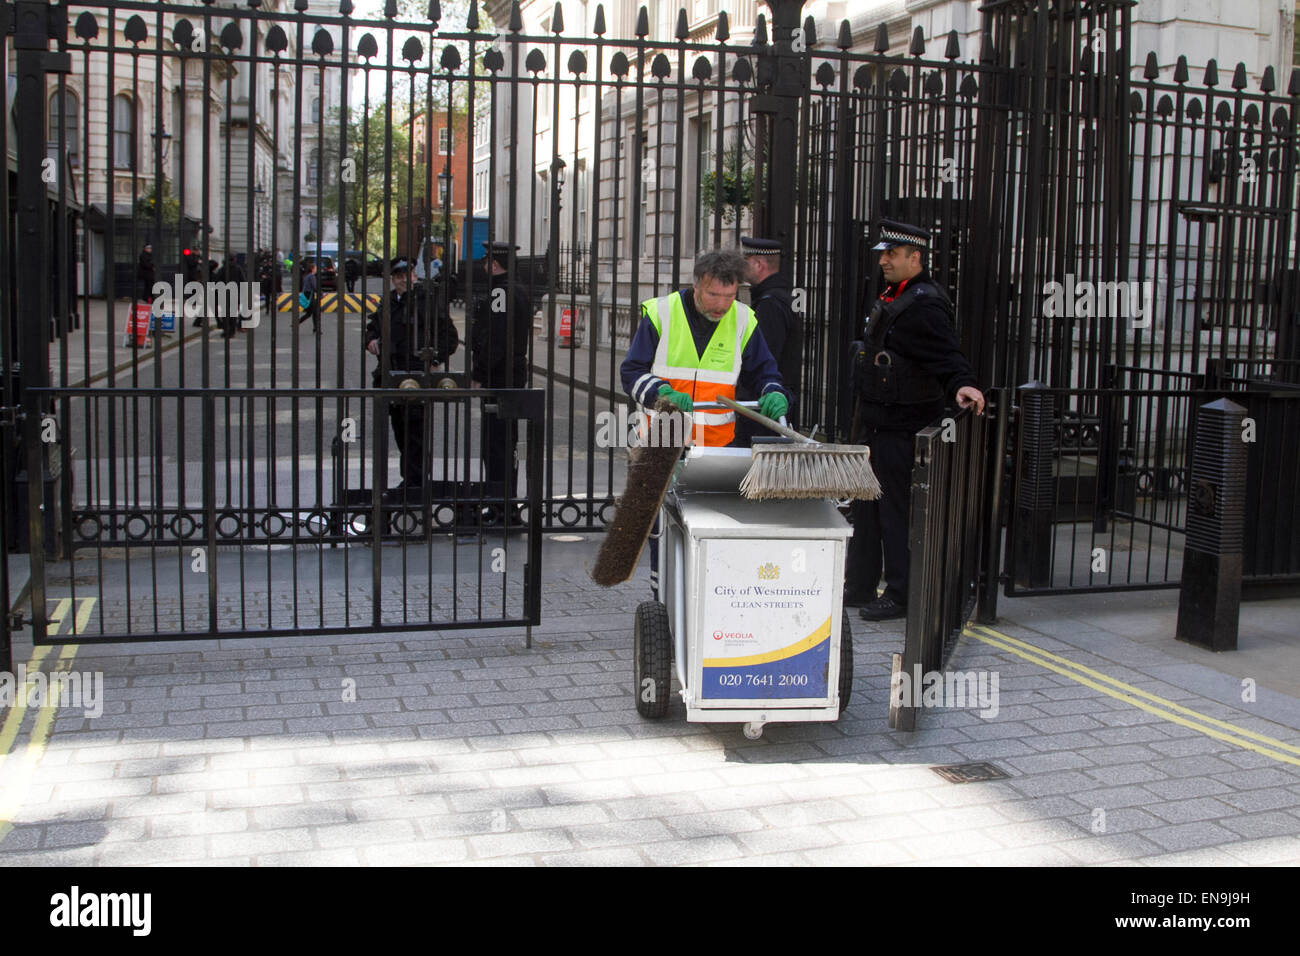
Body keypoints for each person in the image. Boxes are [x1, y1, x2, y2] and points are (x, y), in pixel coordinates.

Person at [620, 248, 788, 597]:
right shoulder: (661, 314)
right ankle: (663, 602)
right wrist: (662, 394)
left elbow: (764, 371)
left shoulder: (744, 320)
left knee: (710, 527)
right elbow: (631, 371)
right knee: (661, 530)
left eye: (729, 296)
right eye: (713, 294)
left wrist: (773, 391)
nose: (721, 305)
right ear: (697, 285)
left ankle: (705, 598)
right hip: (659, 441)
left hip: (714, 446)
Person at [846, 219, 985, 621]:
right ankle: (859, 584)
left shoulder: (924, 304)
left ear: (916, 257)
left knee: (895, 512)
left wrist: (964, 384)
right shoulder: (895, 294)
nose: (884, 260)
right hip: (875, 423)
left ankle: (902, 593)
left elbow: (948, 354)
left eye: (892, 254)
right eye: (883, 254)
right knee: (866, 508)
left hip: (901, 428)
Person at [365, 256, 460, 490]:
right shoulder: (386, 302)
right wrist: (370, 341)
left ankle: (415, 482)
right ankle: (410, 479)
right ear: (392, 278)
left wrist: (436, 359)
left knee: (415, 432)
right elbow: (372, 329)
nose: (402, 280)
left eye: (406, 275)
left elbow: (449, 336)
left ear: (414, 276)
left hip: (416, 376)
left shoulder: (426, 301)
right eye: (398, 276)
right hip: (389, 375)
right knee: (399, 430)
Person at [469, 241, 535, 504]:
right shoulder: (517, 290)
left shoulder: (500, 293)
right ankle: (504, 499)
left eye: (486, 262)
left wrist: (479, 373)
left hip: (499, 376)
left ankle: (500, 502)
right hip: (512, 374)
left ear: (494, 264)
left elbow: (496, 339)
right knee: (506, 442)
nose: (484, 267)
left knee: (496, 445)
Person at [735, 236, 802, 444]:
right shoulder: (786, 295)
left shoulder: (770, 304)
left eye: (745, 261)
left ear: (758, 264)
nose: (741, 267)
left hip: (765, 404)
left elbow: (763, 358)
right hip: (778, 398)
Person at [299, 259, 320, 334]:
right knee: (313, 313)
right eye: (315, 268)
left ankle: (316, 328)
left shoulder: (306, 276)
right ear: (312, 269)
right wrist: (321, 293)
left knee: (311, 313)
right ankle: (316, 328)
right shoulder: (312, 276)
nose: (316, 269)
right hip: (310, 296)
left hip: (306, 295)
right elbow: (315, 287)